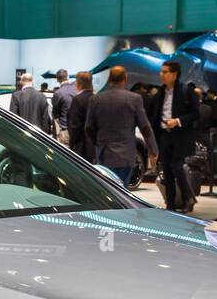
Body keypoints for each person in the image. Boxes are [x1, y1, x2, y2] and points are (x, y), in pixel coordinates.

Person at [85, 65, 157, 186]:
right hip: (125, 154)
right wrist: (153, 150)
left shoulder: (95, 99)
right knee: (122, 192)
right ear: (125, 79)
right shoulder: (134, 99)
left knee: (106, 190)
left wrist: (98, 143)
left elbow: (88, 128)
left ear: (108, 80)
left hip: (103, 153)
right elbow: (145, 127)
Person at [147, 60, 199, 212]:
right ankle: (170, 205)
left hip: (180, 135)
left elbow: (196, 114)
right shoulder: (159, 94)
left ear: (175, 74)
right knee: (167, 171)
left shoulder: (186, 91)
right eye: (161, 72)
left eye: (165, 72)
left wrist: (177, 121)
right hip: (164, 135)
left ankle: (187, 198)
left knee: (177, 167)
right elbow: (153, 117)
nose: (161, 75)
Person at [67, 70, 95, 161]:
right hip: (95, 147)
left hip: (82, 147)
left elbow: (75, 126)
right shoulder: (97, 98)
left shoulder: (77, 100)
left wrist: (72, 143)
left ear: (78, 83)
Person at [50, 68, 76, 145]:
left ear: (57, 80)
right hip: (79, 130)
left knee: (66, 155)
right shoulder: (77, 88)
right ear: (67, 77)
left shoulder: (58, 93)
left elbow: (55, 114)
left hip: (66, 130)